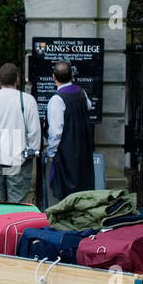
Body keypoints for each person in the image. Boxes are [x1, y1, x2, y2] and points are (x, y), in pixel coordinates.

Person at [0, 62, 41, 203]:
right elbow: (34, 132)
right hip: (19, 161)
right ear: (17, 79)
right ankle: (14, 225)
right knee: (17, 202)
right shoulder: (28, 101)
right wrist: (31, 152)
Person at [45, 60, 95, 202]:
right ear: (72, 75)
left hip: (65, 151)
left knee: (64, 191)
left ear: (54, 77)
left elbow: (55, 131)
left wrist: (51, 152)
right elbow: (89, 106)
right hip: (83, 147)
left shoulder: (57, 100)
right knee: (82, 187)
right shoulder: (81, 93)